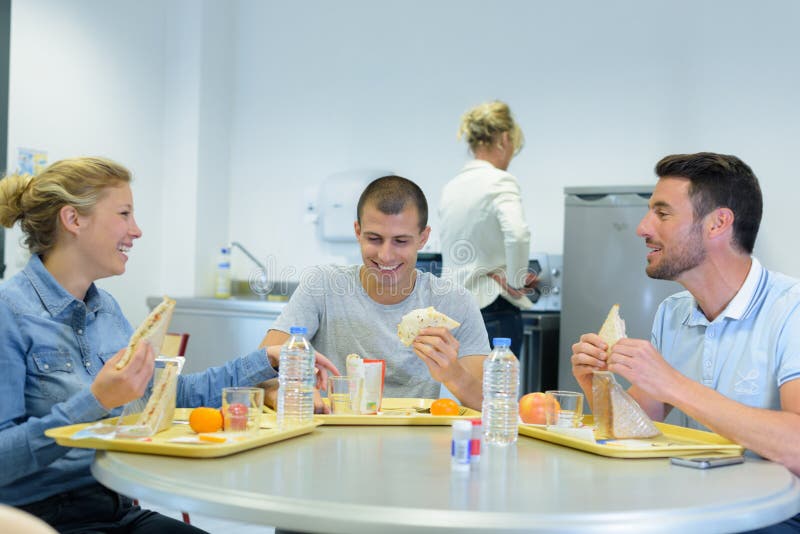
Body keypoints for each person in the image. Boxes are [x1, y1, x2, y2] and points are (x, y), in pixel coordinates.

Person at [0, 157, 336, 533]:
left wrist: (265, 361)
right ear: (73, 220)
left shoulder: (105, 309)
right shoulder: (8, 312)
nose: (137, 230)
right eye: (124, 214)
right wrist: (95, 402)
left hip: (115, 505)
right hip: (40, 519)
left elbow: (167, 395)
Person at [570, 152, 800, 479]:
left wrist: (673, 384)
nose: (641, 228)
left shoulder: (792, 309)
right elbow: (632, 426)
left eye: (662, 213)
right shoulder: (673, 313)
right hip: (699, 503)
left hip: (776, 518)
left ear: (718, 223)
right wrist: (596, 381)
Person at [260, 175, 490, 410]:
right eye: (374, 239)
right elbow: (259, 372)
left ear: (423, 238)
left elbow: (489, 406)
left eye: (401, 241)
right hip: (335, 436)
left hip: (417, 441)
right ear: (357, 231)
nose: (386, 255)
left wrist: (454, 375)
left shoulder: (454, 301)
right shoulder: (321, 285)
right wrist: (285, 394)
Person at [439, 100, 536, 358]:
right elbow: (517, 233)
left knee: (464, 393)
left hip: (454, 310)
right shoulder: (500, 181)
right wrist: (516, 280)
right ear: (504, 139)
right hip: (493, 308)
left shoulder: (452, 187)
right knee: (495, 394)